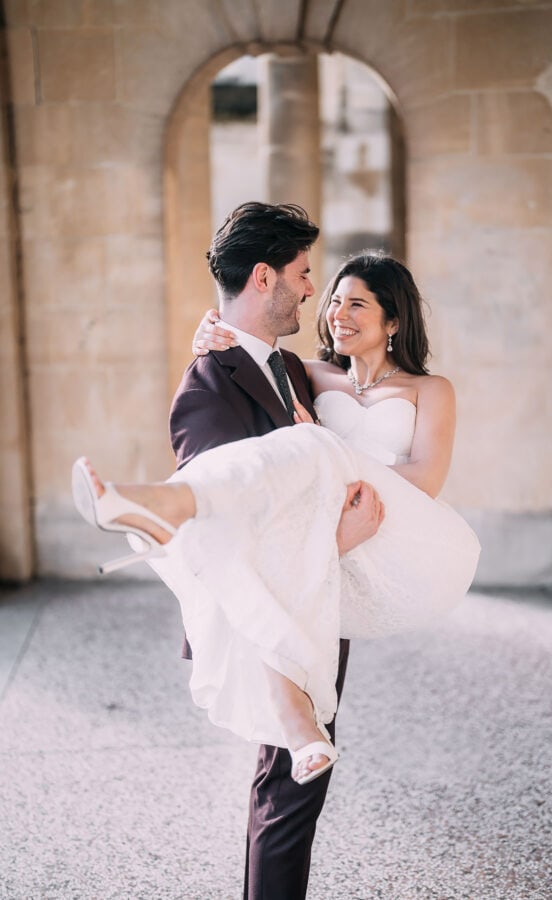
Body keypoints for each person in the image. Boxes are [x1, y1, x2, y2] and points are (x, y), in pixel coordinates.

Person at [74, 203, 388, 900]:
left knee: (292, 787)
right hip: (266, 616)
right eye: (305, 275)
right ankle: (148, 508)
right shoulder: (208, 384)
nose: (313, 290)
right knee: (290, 794)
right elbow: (228, 532)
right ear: (264, 276)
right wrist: (335, 541)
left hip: (318, 597)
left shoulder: (292, 371)